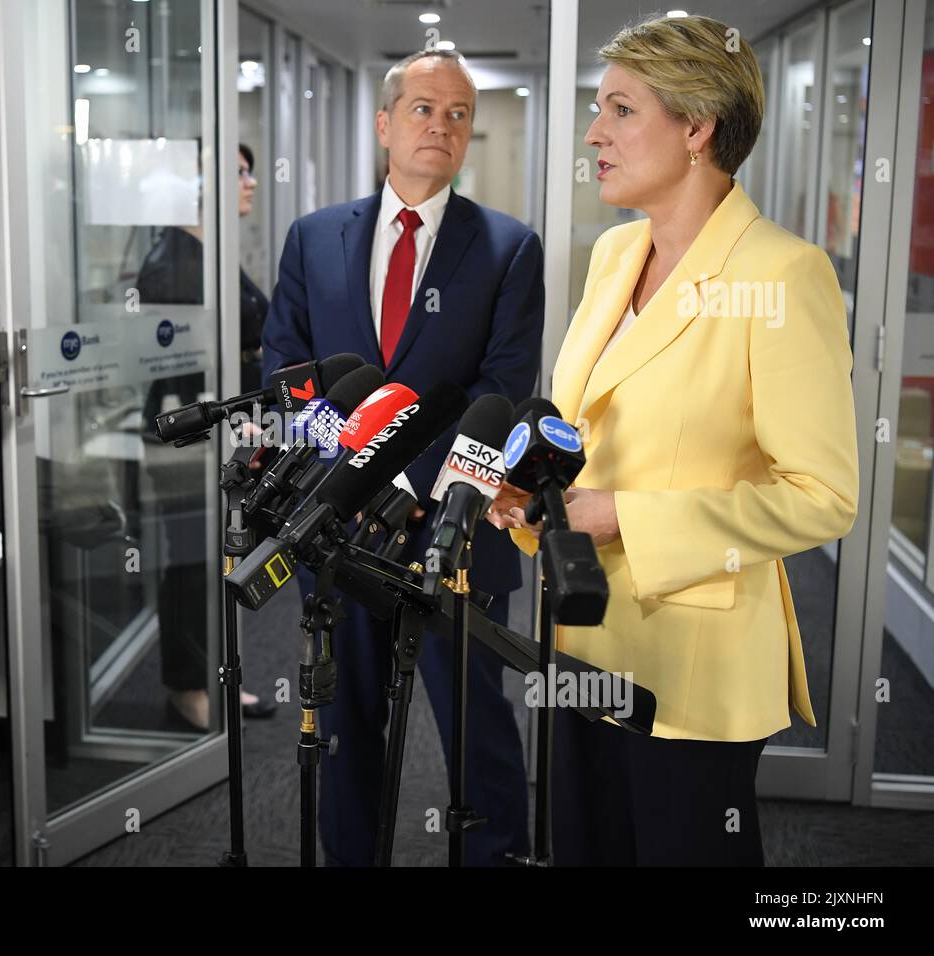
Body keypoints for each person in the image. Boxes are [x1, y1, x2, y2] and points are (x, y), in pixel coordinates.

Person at [488, 15, 860, 865]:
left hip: (693, 660)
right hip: (580, 636)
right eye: (598, 108)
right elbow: (589, 429)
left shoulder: (783, 273)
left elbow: (823, 496)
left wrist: (627, 518)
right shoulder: (617, 253)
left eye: (620, 109)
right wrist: (532, 494)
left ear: (697, 128)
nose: (594, 132)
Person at [261, 49, 544, 865]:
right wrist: (345, 479)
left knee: (477, 732)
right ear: (385, 123)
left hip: (455, 530)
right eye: (424, 108)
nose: (442, 126)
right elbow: (287, 375)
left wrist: (414, 484)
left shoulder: (508, 248)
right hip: (336, 529)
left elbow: (502, 387)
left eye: (459, 114)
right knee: (345, 726)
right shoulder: (314, 238)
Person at [137, 144, 274, 730]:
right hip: (188, 435)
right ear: (199, 186)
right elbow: (172, 364)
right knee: (189, 562)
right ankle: (187, 685)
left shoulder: (206, 249)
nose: (251, 184)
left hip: (223, 428)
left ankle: (215, 674)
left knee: (216, 555)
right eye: (240, 174)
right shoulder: (172, 260)